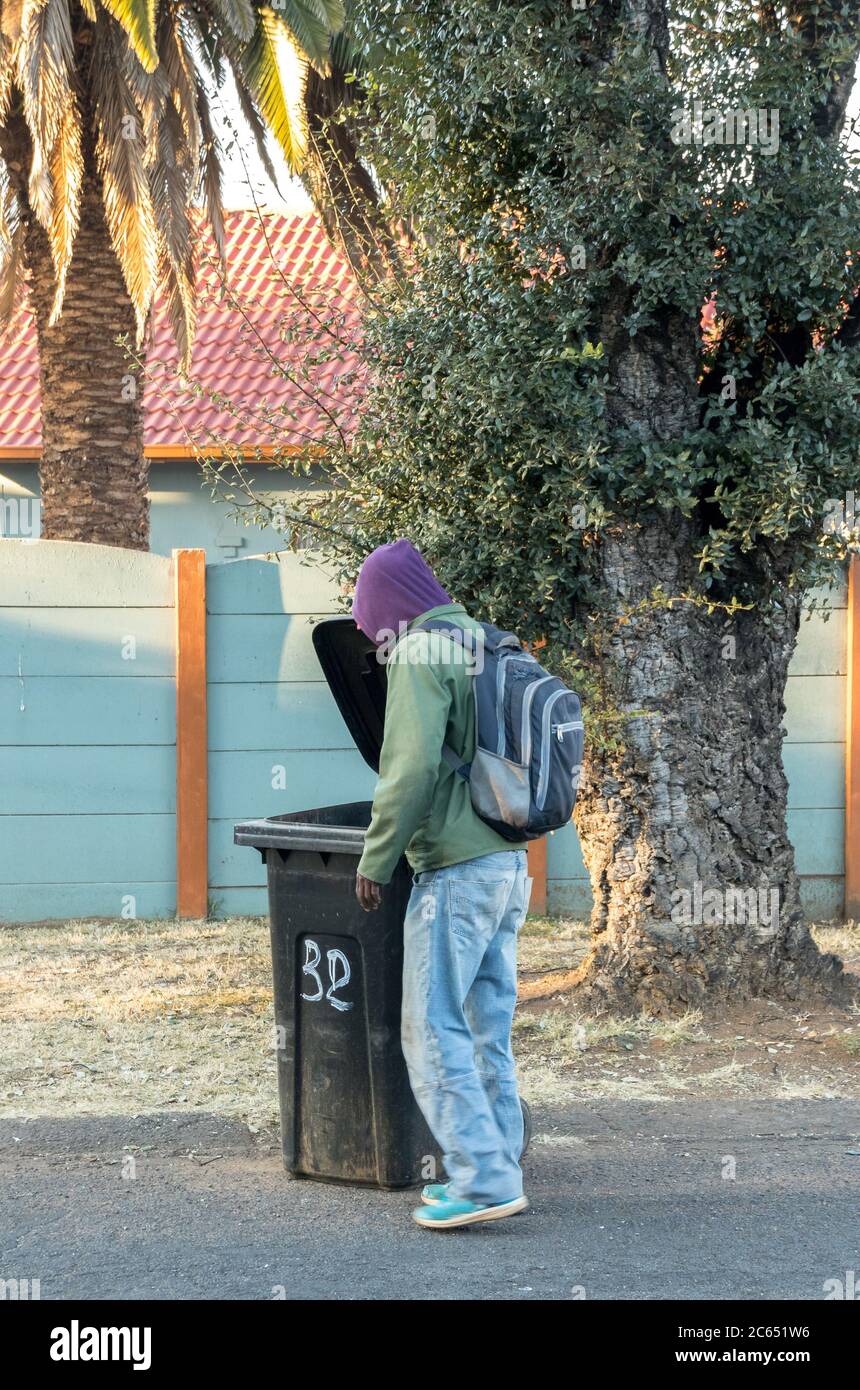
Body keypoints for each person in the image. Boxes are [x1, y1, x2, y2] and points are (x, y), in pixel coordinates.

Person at [352, 538, 532, 1230]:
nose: (370, 633)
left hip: (456, 871)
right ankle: (500, 1162)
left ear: (385, 603)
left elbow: (409, 769)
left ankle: (484, 1180)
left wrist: (376, 859)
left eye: (368, 614)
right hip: (507, 864)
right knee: (487, 1026)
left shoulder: (423, 652)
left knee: (432, 1027)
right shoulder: (482, 639)